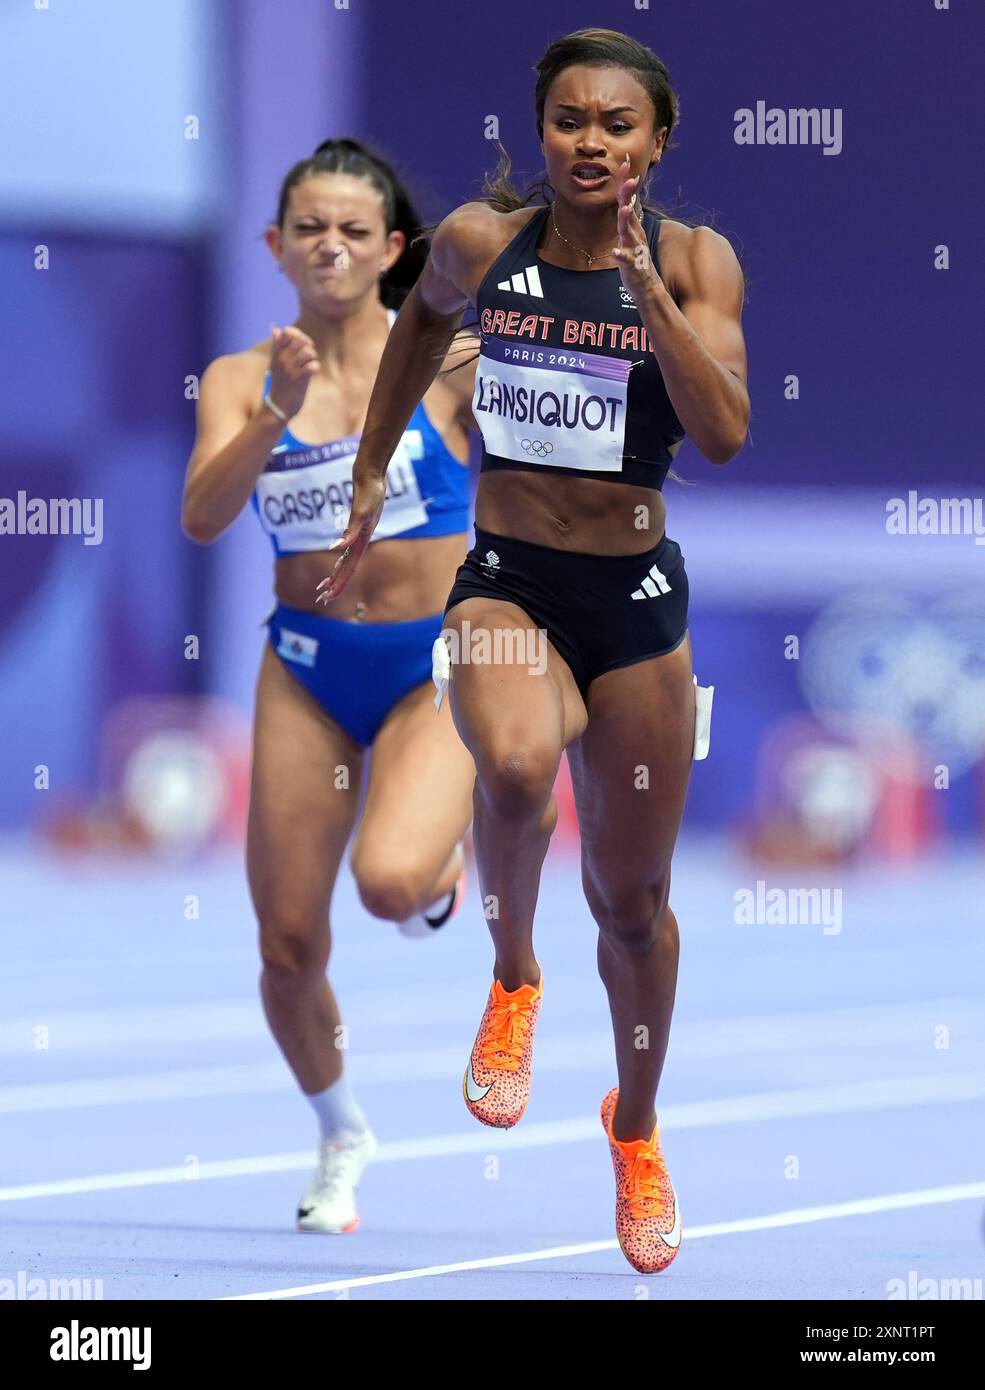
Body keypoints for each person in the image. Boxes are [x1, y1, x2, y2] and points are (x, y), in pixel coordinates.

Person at [318, 29, 749, 1273]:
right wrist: (368, 464)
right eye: (570, 120)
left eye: (618, 125)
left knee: (633, 907)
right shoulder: (474, 242)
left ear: (655, 143)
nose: (593, 142)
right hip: (506, 577)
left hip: (636, 598)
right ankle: (511, 977)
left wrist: (650, 298)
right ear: (541, 134)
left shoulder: (695, 260)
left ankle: (636, 1127)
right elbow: (417, 329)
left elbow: (722, 431)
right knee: (511, 765)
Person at [181, 138, 478, 1235]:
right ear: (276, 245)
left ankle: (443, 861)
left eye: (356, 229)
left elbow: (564, 460)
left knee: (392, 885)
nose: (332, 246)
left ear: (393, 247)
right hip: (305, 669)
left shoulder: (449, 361)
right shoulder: (235, 378)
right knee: (288, 944)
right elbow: (202, 518)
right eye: (310, 227)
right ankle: (343, 1132)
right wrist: (274, 409)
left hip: (428, 668)